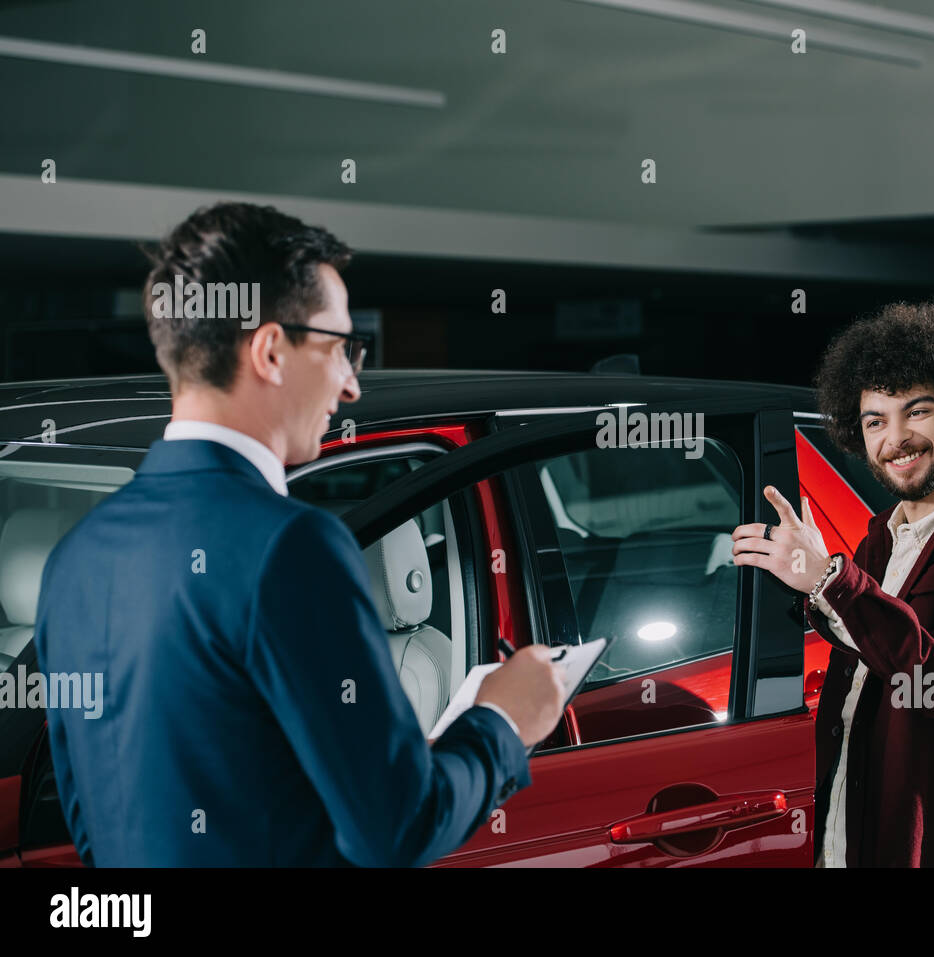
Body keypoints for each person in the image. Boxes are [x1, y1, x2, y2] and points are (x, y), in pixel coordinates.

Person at [33, 202, 566, 866]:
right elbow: (398, 826)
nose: (350, 385)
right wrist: (505, 720)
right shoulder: (292, 546)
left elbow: (92, 826)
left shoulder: (74, 559)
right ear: (271, 350)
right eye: (342, 348)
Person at [731, 302, 934, 866]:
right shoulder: (882, 536)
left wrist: (830, 579)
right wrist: (812, 586)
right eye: (875, 420)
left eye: (918, 412)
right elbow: (876, 652)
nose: (896, 438)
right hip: (856, 835)